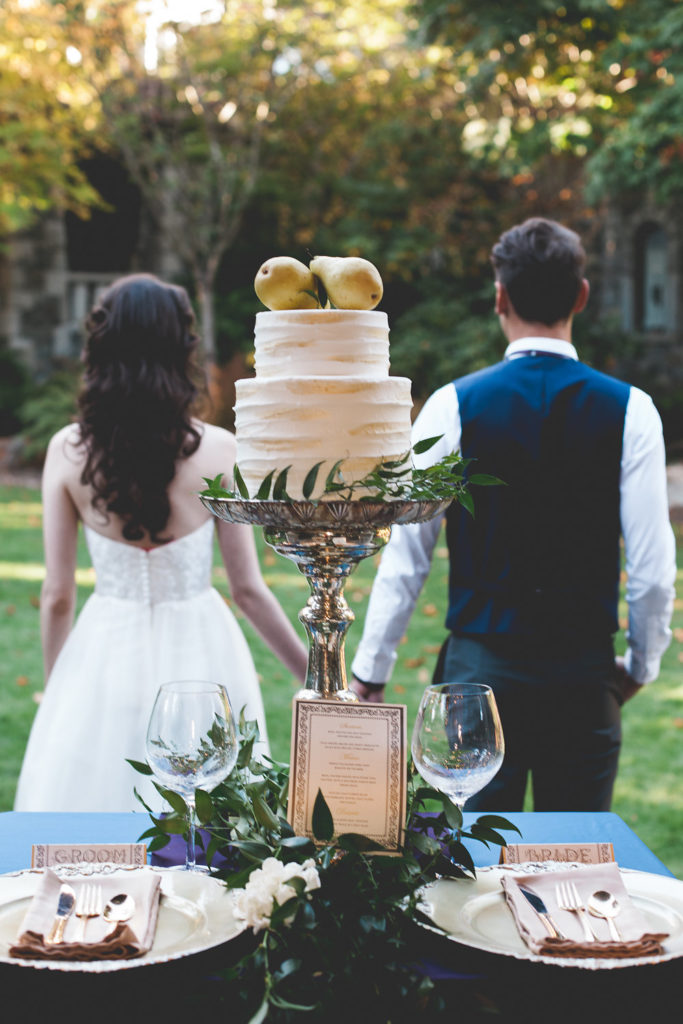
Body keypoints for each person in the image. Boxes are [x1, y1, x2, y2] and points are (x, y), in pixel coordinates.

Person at [351, 217, 676, 812]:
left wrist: (370, 673)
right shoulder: (633, 412)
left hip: (479, 676)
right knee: (575, 876)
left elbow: (406, 557)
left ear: (500, 296)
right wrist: (640, 667)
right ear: (580, 296)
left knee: (471, 874)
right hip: (584, 677)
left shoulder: (453, 406)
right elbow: (654, 572)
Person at [14, 273, 308, 813]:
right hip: (204, 652)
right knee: (215, 814)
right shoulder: (220, 451)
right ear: (182, 349)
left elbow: (57, 593)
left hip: (103, 647)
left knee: (93, 807)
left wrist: (60, 689)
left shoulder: (67, 451)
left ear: (101, 347)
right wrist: (316, 676)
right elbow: (247, 590)